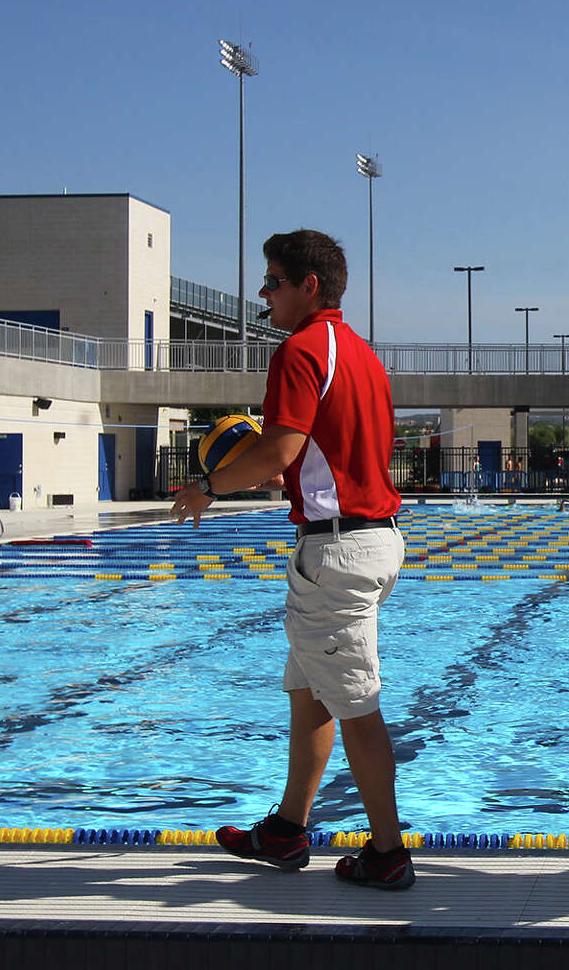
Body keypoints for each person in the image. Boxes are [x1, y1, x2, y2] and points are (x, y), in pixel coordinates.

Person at [170, 229, 415, 891]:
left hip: (336, 552)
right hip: (377, 537)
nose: (262, 292)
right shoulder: (363, 354)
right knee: (310, 691)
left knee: (356, 704)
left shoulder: (301, 350)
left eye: (272, 280)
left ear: (309, 286)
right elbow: (322, 455)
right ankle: (286, 830)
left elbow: (278, 452)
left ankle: (388, 854)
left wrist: (208, 487)